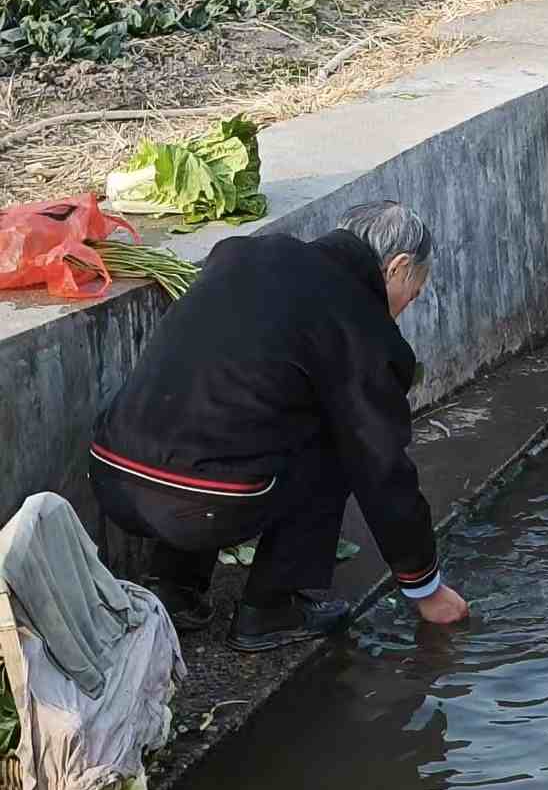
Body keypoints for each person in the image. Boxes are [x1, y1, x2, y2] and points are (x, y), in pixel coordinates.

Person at [90, 201, 470, 653]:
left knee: (224, 417)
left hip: (113, 477)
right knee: (341, 438)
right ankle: (269, 610)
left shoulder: (240, 255)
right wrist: (425, 586)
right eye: (415, 291)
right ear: (397, 267)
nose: (408, 305)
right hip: (204, 507)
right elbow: (383, 471)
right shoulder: (359, 322)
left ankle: (174, 588)